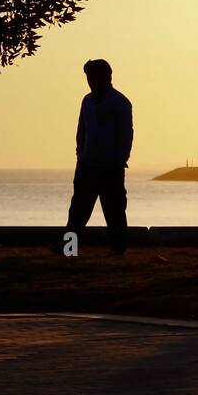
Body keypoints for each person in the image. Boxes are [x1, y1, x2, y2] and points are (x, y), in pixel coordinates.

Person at [66, 59, 133, 254]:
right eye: (88, 77)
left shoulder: (119, 102)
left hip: (110, 165)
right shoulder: (87, 100)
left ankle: (118, 249)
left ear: (107, 76)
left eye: (93, 76)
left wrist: (120, 159)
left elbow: (126, 133)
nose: (90, 81)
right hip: (87, 164)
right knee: (78, 211)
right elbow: (82, 128)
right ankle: (69, 248)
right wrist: (80, 153)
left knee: (114, 210)